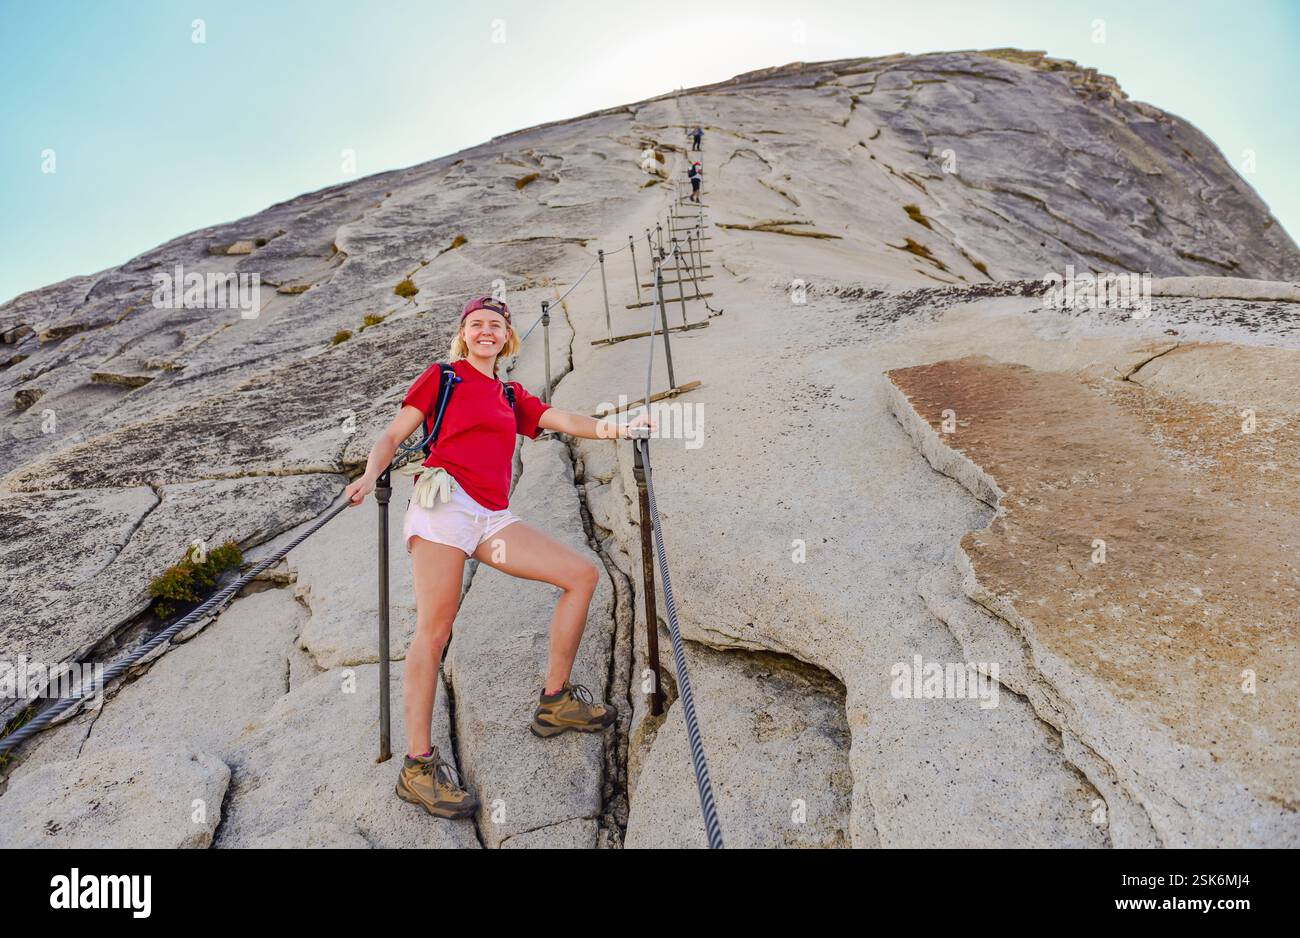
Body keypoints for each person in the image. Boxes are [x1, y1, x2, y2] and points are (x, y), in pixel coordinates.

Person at [345, 294, 655, 819]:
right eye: (476, 324)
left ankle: (554, 700)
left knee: (581, 575)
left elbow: (565, 420)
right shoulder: (442, 377)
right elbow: (394, 432)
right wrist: (371, 472)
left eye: (495, 325)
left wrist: (621, 428)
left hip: (492, 517)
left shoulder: (511, 395)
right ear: (464, 334)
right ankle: (418, 765)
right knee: (434, 630)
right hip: (444, 505)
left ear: (507, 337)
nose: (485, 331)